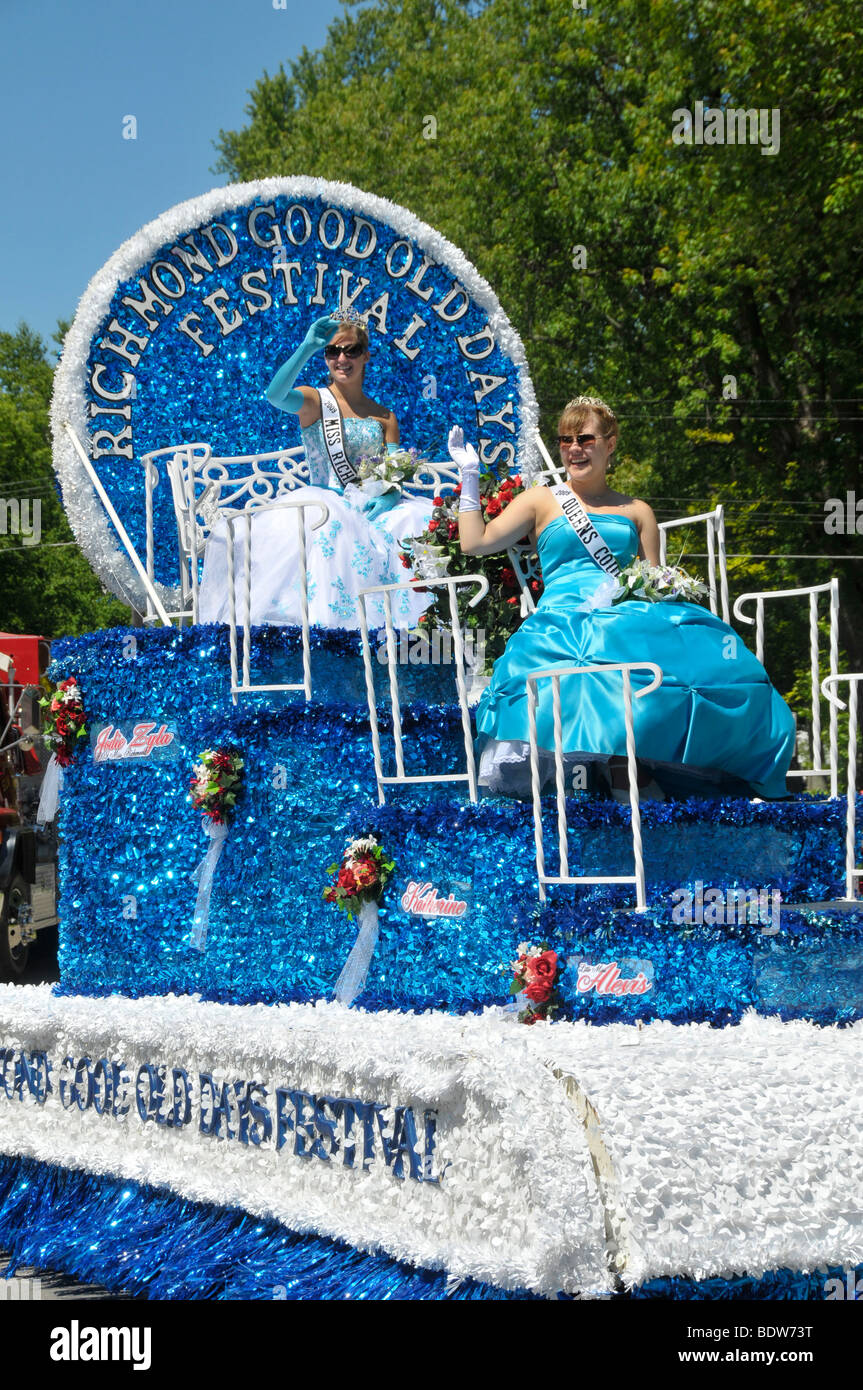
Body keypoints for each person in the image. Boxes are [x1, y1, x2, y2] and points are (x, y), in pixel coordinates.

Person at [450, 397, 796, 800]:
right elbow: (474, 542)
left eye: (585, 438)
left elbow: (656, 583)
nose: (574, 448)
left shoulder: (638, 511)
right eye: (565, 440)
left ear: (610, 444)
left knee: (699, 655)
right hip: (563, 620)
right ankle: (621, 769)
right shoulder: (541, 499)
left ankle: (645, 765)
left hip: (625, 613)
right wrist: (470, 476)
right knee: (599, 653)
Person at [197, 315, 433, 630]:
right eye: (332, 351)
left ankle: (420, 628)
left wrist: (390, 494)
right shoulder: (315, 401)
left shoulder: (385, 416)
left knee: (417, 519)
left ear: (366, 354)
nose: (342, 359)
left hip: (371, 504)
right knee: (332, 524)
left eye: (351, 350)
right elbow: (275, 395)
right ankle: (335, 632)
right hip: (327, 500)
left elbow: (393, 468)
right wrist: (307, 347)